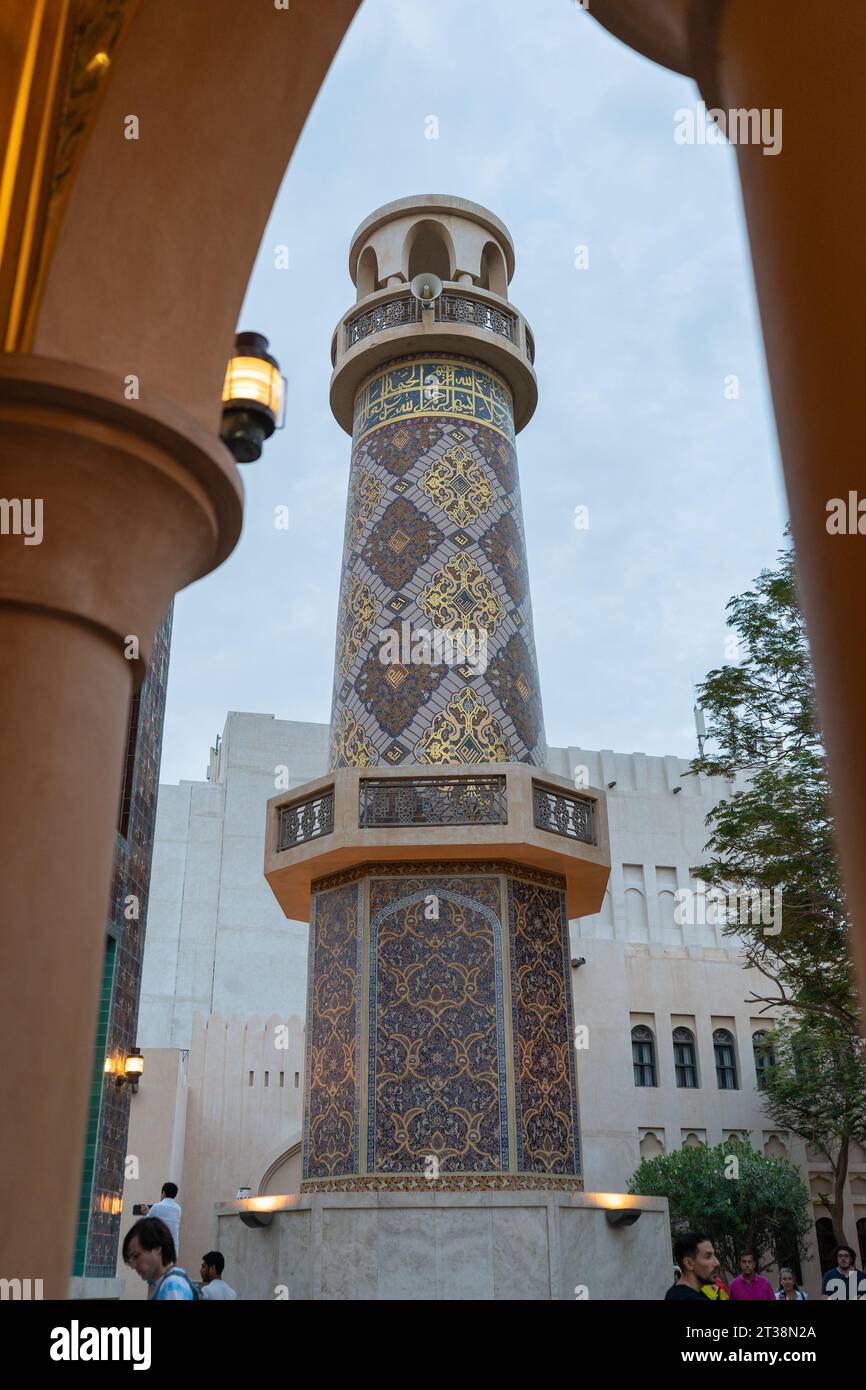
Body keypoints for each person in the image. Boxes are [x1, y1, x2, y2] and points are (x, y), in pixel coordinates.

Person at [123, 1217, 196, 1300]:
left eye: (136, 1256)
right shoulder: (165, 1283)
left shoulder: (172, 1285)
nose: (133, 1266)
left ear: (157, 1248)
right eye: (130, 1260)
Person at [664, 1232, 719, 1299]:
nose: (717, 1263)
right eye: (708, 1256)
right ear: (689, 1263)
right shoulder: (684, 1297)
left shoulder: (674, 1293)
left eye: (714, 1255)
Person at [145, 1182, 182, 1260]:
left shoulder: (157, 1207)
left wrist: (148, 1212)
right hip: (173, 1250)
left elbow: (146, 1222)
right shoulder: (178, 1209)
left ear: (163, 1193)